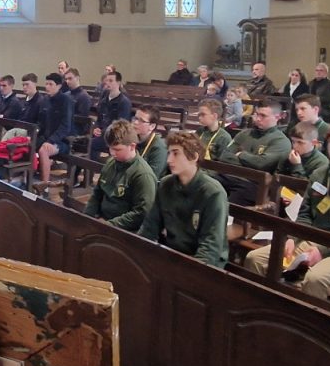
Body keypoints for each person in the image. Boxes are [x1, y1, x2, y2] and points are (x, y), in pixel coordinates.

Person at [243, 121, 330, 301]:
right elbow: (305, 214)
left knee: (315, 279)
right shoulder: (320, 174)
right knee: (255, 258)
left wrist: (323, 250)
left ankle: (310, 324)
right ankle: (260, 306)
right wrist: (292, 237)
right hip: (311, 239)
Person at [138, 130, 229, 268]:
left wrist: (188, 273)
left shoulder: (213, 192)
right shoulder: (165, 184)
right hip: (173, 254)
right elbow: (150, 227)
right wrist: (137, 253)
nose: (169, 160)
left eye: (176, 153)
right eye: (169, 153)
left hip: (204, 264)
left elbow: (210, 247)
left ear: (194, 157)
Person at [84, 120, 157, 231]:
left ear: (132, 146)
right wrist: (86, 217)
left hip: (124, 230)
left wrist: (109, 225)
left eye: (117, 149)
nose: (112, 153)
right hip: (102, 222)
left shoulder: (142, 174)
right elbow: (97, 193)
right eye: (110, 148)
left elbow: (141, 213)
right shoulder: (110, 163)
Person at [36, 73, 76, 186]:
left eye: (50, 84)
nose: (47, 87)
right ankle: (27, 178)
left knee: (43, 150)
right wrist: (35, 134)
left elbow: (65, 127)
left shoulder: (66, 101)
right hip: (47, 137)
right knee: (28, 143)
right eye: (46, 84)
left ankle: (44, 185)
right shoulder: (45, 100)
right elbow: (41, 123)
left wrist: (51, 140)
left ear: (59, 86)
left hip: (63, 140)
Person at [90, 71, 132, 155]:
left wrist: (103, 132)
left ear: (118, 83)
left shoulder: (124, 102)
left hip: (115, 137)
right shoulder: (104, 99)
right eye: (107, 80)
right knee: (84, 142)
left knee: (91, 144)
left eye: (111, 81)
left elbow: (121, 125)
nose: (107, 83)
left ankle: (92, 167)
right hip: (103, 134)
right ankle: (88, 166)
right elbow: (99, 118)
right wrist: (96, 128)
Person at [132, 105, 168, 179]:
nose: (135, 122)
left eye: (141, 120)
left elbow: (152, 177)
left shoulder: (159, 147)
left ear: (152, 126)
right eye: (135, 118)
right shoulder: (131, 138)